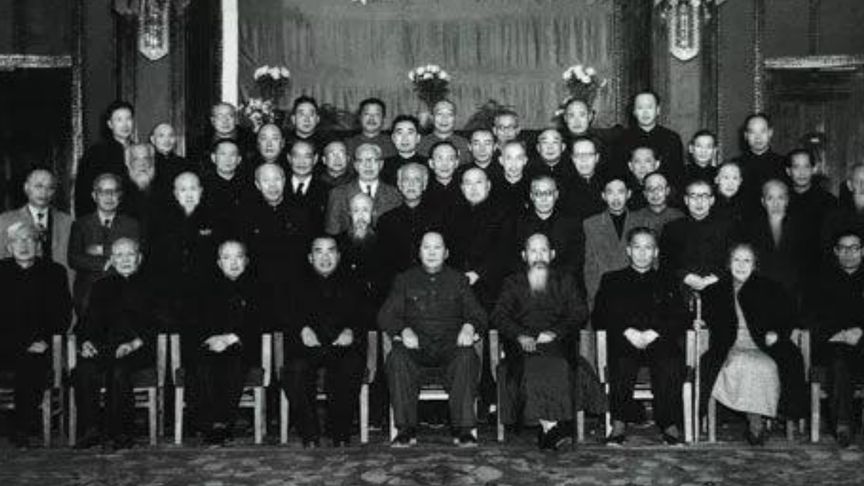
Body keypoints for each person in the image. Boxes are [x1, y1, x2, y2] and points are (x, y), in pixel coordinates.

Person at [378, 231, 488, 448]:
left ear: (446, 253)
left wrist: (469, 326)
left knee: (467, 356)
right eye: (426, 247)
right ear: (419, 253)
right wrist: (403, 330)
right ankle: (405, 430)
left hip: (450, 351)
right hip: (416, 351)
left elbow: (479, 315)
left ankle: (464, 430)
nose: (431, 252)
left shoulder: (459, 280)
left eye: (437, 247)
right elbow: (385, 315)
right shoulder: (404, 280)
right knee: (397, 357)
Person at [700, 243, 807, 446]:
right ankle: (756, 425)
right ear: (729, 263)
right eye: (736, 260)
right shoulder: (716, 290)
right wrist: (699, 321)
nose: (741, 265)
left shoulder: (770, 287)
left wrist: (778, 332)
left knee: (769, 365)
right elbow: (703, 315)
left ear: (755, 265)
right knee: (746, 364)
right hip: (730, 346)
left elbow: (790, 316)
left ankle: (765, 419)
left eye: (747, 260)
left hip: (764, 346)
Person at [493, 234, 591, 450]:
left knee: (559, 363)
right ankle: (552, 427)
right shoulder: (512, 282)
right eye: (533, 251)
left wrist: (555, 332)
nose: (539, 256)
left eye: (544, 250)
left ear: (552, 254)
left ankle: (549, 429)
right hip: (522, 345)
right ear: (524, 255)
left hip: (557, 342)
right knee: (533, 364)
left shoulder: (565, 280)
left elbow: (579, 312)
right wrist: (520, 335)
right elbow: (499, 315)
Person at [592, 227, 685, 445]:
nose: (642, 253)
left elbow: (679, 316)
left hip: (658, 340)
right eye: (637, 247)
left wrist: (654, 332)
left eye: (648, 248)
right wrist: (628, 331)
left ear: (656, 252)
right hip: (626, 340)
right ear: (628, 250)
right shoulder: (612, 280)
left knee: (670, 361)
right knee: (621, 361)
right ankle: (619, 423)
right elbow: (599, 316)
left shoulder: (668, 280)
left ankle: (669, 424)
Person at [283, 236, 366, 447]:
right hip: (307, 347)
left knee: (350, 365)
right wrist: (301, 329)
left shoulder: (354, 283)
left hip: (341, 346)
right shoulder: (295, 283)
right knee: (295, 369)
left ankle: (340, 432)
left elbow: (365, 315)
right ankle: (309, 434)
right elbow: (285, 315)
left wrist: (351, 331)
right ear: (310, 258)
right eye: (319, 251)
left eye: (330, 251)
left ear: (338, 256)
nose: (325, 257)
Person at [73, 237, 153, 450]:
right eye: (119, 255)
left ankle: (121, 433)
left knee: (118, 370)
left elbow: (160, 322)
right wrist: (85, 342)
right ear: (112, 260)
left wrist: (134, 344)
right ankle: (91, 430)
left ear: (139, 258)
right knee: (84, 369)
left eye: (130, 254)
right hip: (106, 347)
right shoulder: (101, 286)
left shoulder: (151, 285)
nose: (125, 259)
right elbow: (87, 321)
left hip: (140, 349)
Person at [0, 222, 71, 447]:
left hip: (40, 345)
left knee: (30, 363)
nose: (23, 245)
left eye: (29, 239)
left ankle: (21, 429)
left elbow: (62, 316)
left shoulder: (54, 272)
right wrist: (19, 343)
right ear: (9, 247)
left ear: (39, 245)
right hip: (5, 344)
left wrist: (44, 341)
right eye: (17, 240)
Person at [196, 240, 262, 445]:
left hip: (243, 347)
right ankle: (208, 423)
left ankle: (223, 423)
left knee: (233, 361)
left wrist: (230, 339)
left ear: (246, 260)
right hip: (212, 346)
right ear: (219, 263)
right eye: (227, 257)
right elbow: (195, 320)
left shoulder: (258, 287)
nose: (233, 263)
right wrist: (211, 339)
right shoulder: (206, 288)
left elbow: (260, 321)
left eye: (238, 257)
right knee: (204, 363)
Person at [244, 163, 315, 330]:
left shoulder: (301, 211)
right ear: (257, 185)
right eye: (266, 180)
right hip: (259, 288)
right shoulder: (246, 213)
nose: (272, 185)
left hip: (295, 289)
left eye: (277, 179)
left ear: (284, 181)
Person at [810, 231, 864, 447]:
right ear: (835, 251)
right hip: (833, 343)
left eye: (854, 248)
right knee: (839, 360)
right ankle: (843, 426)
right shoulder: (820, 280)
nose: (849, 253)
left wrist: (861, 332)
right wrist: (840, 334)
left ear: (862, 251)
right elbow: (811, 316)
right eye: (843, 248)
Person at [68, 173, 140, 317]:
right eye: (103, 192)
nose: (109, 197)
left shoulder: (131, 224)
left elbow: (137, 255)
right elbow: (74, 258)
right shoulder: (81, 224)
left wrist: (103, 249)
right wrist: (106, 263)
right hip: (88, 293)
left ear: (120, 196)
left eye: (114, 192)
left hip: (122, 291)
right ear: (94, 196)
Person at [447, 168, 514, 311]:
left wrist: (478, 273)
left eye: (478, 182)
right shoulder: (452, 214)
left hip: (492, 286)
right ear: (462, 188)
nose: (473, 188)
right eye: (468, 183)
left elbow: (505, 251)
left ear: (488, 185)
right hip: (456, 286)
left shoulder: (504, 212)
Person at [659, 179, 733, 298]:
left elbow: (733, 260)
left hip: (718, 289)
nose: (699, 201)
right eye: (693, 196)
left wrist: (716, 277)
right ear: (686, 200)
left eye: (704, 196)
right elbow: (665, 262)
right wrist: (685, 276)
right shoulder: (671, 228)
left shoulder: (726, 228)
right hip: (680, 290)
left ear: (712, 200)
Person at [582, 177, 648, 308]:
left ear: (629, 194)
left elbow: (652, 261)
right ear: (603, 196)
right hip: (604, 295)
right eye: (610, 192)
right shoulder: (591, 224)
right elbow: (590, 267)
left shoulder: (642, 221)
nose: (616, 198)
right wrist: (596, 297)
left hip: (637, 292)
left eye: (621, 192)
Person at [0, 168, 73, 277]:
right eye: (39, 186)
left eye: (50, 188)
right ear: (26, 188)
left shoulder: (68, 222)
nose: (44, 192)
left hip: (59, 284)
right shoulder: (5, 221)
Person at [739, 179, 804, 296]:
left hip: (793, 294)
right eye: (770, 198)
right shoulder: (750, 229)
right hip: (759, 292)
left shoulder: (801, 227)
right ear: (763, 202)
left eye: (780, 198)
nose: (776, 204)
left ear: (787, 200)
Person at [377, 163, 442, 278]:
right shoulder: (386, 220)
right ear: (399, 184)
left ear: (424, 185)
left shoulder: (439, 217)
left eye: (416, 180)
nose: (411, 185)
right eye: (406, 180)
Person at [515, 176, 584, 283]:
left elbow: (575, 261)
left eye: (548, 193)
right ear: (531, 196)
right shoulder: (518, 224)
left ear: (556, 195)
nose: (544, 199)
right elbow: (514, 261)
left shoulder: (571, 224)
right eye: (538, 194)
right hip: (526, 283)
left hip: (563, 284)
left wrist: (551, 280)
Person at [324, 143, 401, 235]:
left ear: (381, 164)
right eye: (362, 160)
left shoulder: (394, 194)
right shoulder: (338, 194)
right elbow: (332, 231)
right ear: (355, 165)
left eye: (373, 160)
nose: (368, 165)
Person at [786, 148, 837, 285]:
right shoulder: (779, 200)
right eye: (796, 167)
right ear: (788, 171)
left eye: (806, 167)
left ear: (813, 169)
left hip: (819, 273)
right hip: (786, 273)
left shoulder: (829, 202)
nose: (802, 173)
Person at [76, 101, 135, 216]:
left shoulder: (140, 151)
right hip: (106, 216)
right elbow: (83, 191)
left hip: (134, 217)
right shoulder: (96, 153)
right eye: (119, 120)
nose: (125, 125)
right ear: (110, 124)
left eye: (128, 119)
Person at [616, 92, 684, 188]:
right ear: (634, 111)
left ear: (658, 110)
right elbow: (618, 174)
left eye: (649, 107)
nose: (645, 112)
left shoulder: (672, 139)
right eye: (640, 108)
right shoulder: (621, 139)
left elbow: (677, 175)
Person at [733, 113, 787, 205]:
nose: (758, 137)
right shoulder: (735, 166)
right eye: (752, 132)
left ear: (770, 133)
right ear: (746, 135)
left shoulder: (784, 163)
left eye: (762, 131)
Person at [200, 139, 252, 235]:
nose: (228, 159)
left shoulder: (249, 186)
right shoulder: (201, 186)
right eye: (223, 154)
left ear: (239, 160)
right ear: (213, 158)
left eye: (232, 155)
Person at [191, 102, 256, 166]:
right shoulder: (200, 144)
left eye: (230, 116)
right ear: (212, 120)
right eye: (220, 116)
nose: (225, 121)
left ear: (236, 119)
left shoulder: (250, 141)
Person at [558, 136, 606, 221]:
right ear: (573, 159)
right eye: (578, 155)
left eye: (589, 154)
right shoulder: (562, 188)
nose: (583, 160)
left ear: (597, 158)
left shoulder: (608, 185)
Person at [285, 139, 329, 230]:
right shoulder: (279, 185)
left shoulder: (326, 189)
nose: (302, 162)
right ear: (289, 158)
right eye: (297, 156)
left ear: (315, 159)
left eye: (307, 157)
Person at [150, 123, 196, 202]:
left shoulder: (185, 164)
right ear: (153, 140)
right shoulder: (147, 164)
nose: (167, 140)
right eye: (161, 136)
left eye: (171, 136)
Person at [631, 172, 684, 239]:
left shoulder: (679, 217)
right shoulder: (634, 218)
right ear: (645, 193)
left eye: (659, 188)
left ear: (667, 191)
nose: (655, 193)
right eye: (650, 189)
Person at [418, 100, 471, 165]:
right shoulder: (421, 144)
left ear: (455, 118)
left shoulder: (465, 145)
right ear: (432, 117)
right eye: (439, 114)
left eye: (449, 114)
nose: (444, 119)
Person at [382, 115, 425, 186]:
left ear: (418, 138)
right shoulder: (384, 166)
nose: (405, 138)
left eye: (410, 133)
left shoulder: (428, 165)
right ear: (393, 138)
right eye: (400, 133)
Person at [424, 140, 464, 216]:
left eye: (450, 159)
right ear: (431, 163)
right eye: (439, 159)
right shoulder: (423, 190)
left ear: (456, 163)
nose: (445, 164)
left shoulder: (465, 190)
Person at [494, 140, 531, 213]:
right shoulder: (492, 187)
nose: (513, 164)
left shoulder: (533, 186)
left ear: (525, 160)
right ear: (501, 160)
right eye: (508, 158)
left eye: (519, 158)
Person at [625, 145, 663, 211]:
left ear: (657, 164)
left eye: (647, 161)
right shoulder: (625, 193)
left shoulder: (666, 192)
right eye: (637, 161)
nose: (642, 166)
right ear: (630, 166)